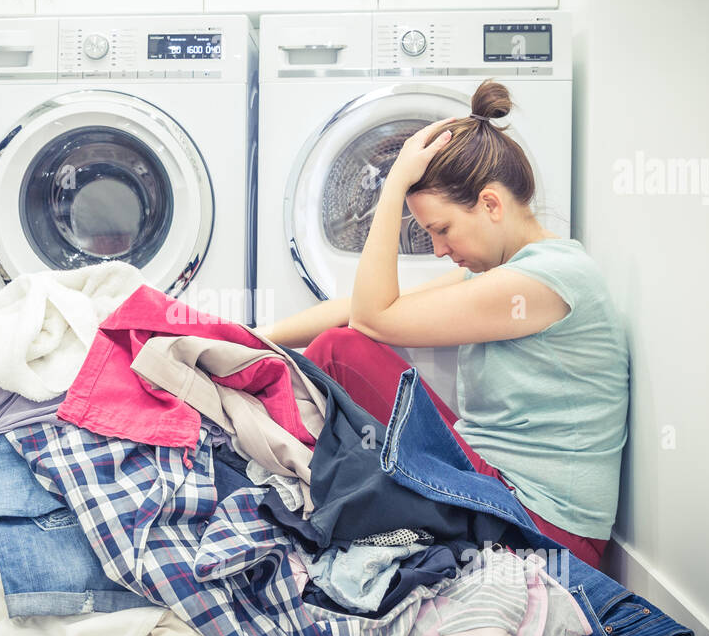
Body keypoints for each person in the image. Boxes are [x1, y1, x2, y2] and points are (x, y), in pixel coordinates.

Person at [255, 80, 630, 569]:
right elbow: (358, 307)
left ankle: (289, 490)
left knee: (339, 351)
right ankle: (307, 488)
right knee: (337, 350)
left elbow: (371, 319)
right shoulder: (511, 274)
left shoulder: (542, 281)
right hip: (504, 494)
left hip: (542, 529)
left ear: (491, 205)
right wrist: (251, 338)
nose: (437, 250)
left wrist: (391, 190)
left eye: (441, 229)